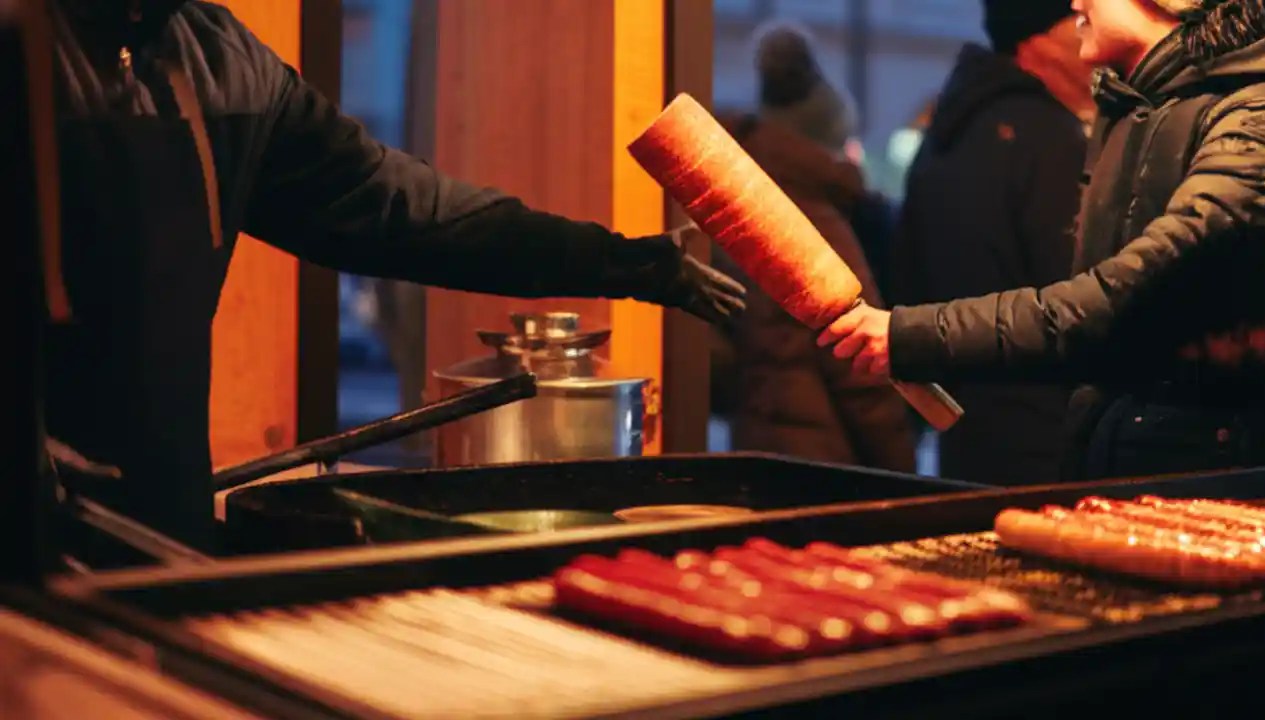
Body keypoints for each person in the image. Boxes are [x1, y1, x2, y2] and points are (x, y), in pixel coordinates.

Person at [39, 0, 746, 551]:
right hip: (30, 545)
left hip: (160, 535)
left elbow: (403, 210)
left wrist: (623, 262)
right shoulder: (27, 53)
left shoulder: (221, 63)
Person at [821, 0, 1265, 482]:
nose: (1076, 2)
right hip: (1118, 473)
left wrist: (909, 336)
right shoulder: (1131, 111)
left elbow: (1114, 303)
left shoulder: (1257, 116)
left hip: (1211, 490)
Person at [890, 1, 1094, 485]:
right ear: (1039, 38)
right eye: (1077, 19)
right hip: (1047, 442)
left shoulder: (945, 134)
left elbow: (904, 276)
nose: (1091, 28)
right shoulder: (1051, 139)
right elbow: (1080, 299)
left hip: (964, 437)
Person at [710, 22, 917, 472]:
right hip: (825, 454)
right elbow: (861, 369)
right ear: (822, 147)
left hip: (760, 439)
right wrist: (902, 464)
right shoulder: (814, 220)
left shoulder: (742, 204)